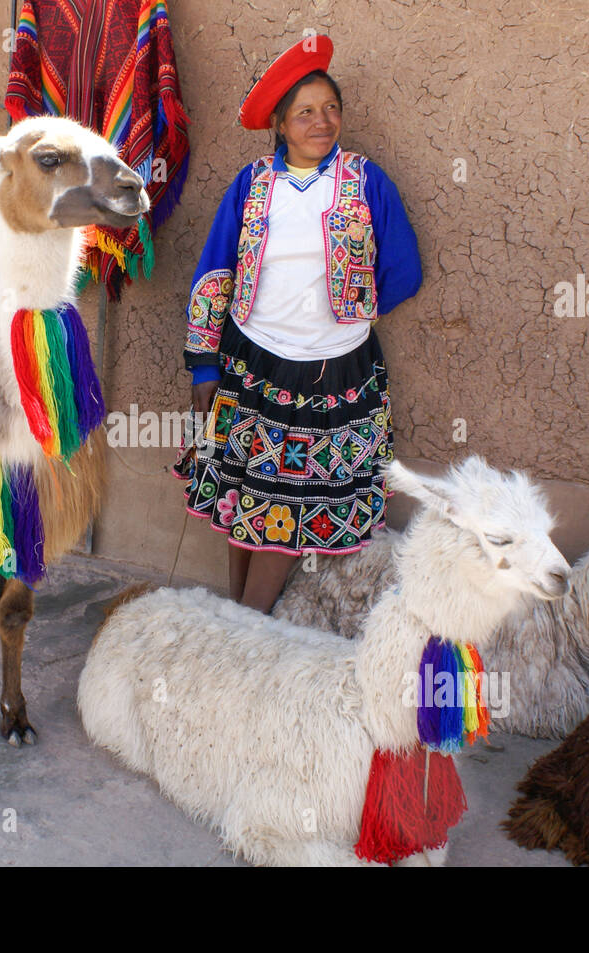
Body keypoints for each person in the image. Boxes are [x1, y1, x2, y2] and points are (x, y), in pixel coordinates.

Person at [180, 34, 423, 613]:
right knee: (245, 494)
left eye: (331, 109)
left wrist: (351, 308)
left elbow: (404, 268)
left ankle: (245, 627)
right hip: (251, 361)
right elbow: (217, 269)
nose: (322, 121)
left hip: (333, 371)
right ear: (282, 126)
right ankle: (242, 621)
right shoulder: (254, 184)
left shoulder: (366, 182)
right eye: (306, 112)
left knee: (291, 504)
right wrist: (205, 364)